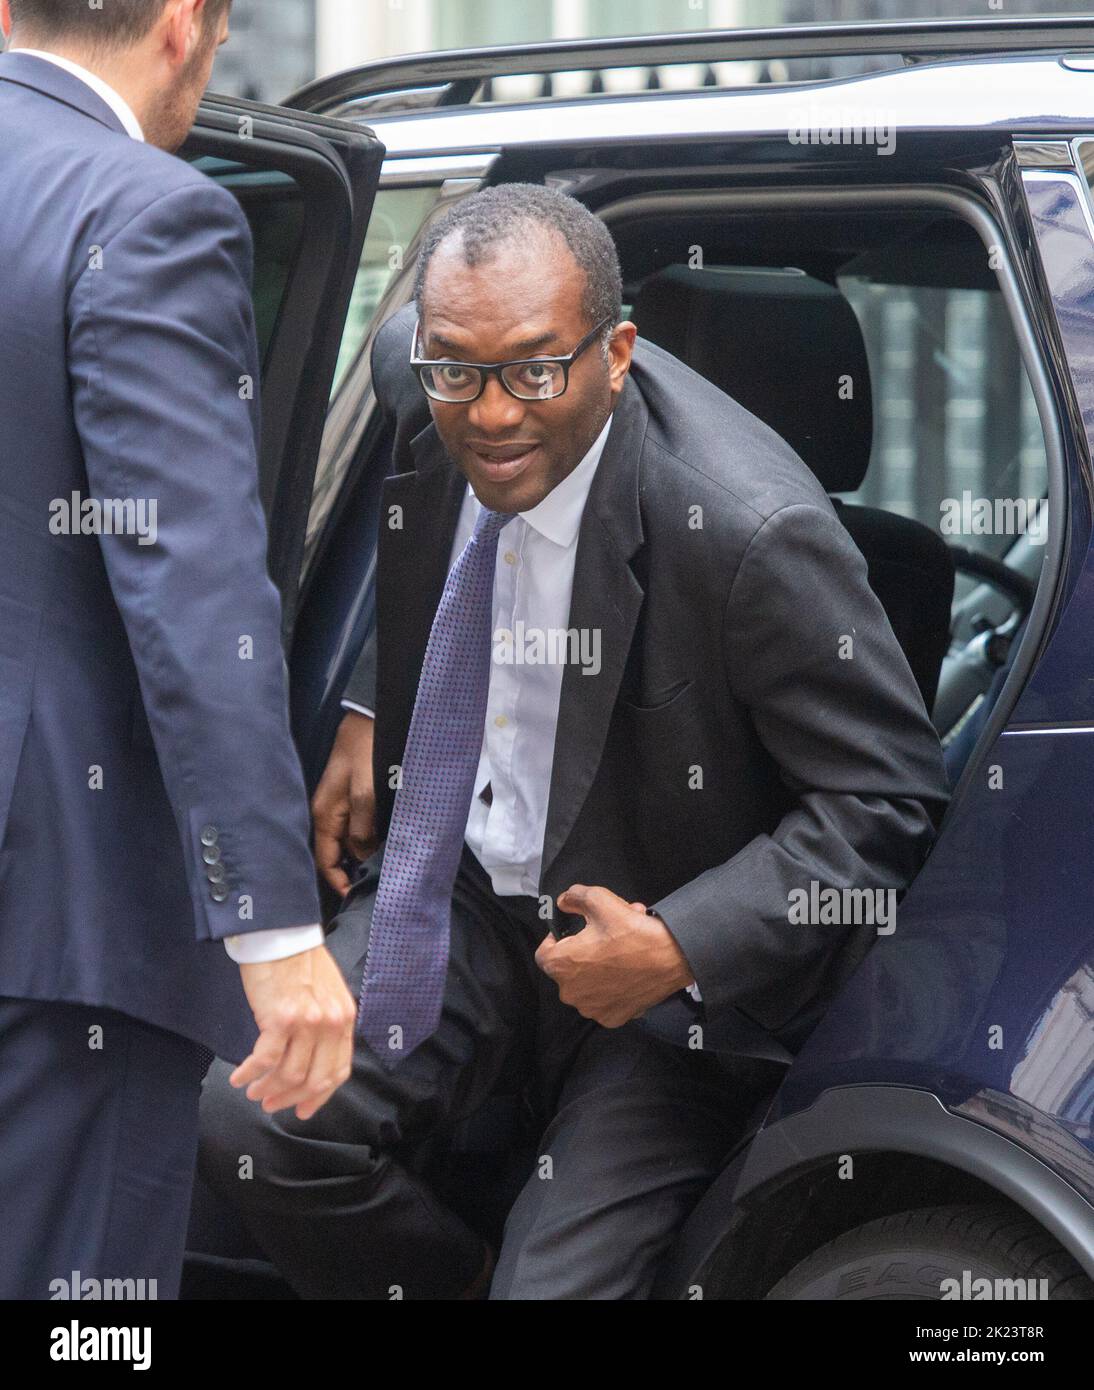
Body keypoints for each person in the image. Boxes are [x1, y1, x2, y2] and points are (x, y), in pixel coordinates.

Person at [198, 183, 950, 1299]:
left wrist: (679, 943)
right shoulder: (434, 380)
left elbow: (887, 802)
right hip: (470, 906)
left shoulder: (748, 532)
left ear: (617, 352)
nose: (493, 413)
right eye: (460, 370)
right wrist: (367, 701)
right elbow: (434, 546)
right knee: (254, 1122)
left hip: (662, 971)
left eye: (534, 371)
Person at [0, 0, 355, 1301]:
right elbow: (195, 596)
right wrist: (271, 925)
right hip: (61, 931)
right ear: (182, 22)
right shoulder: (147, 212)